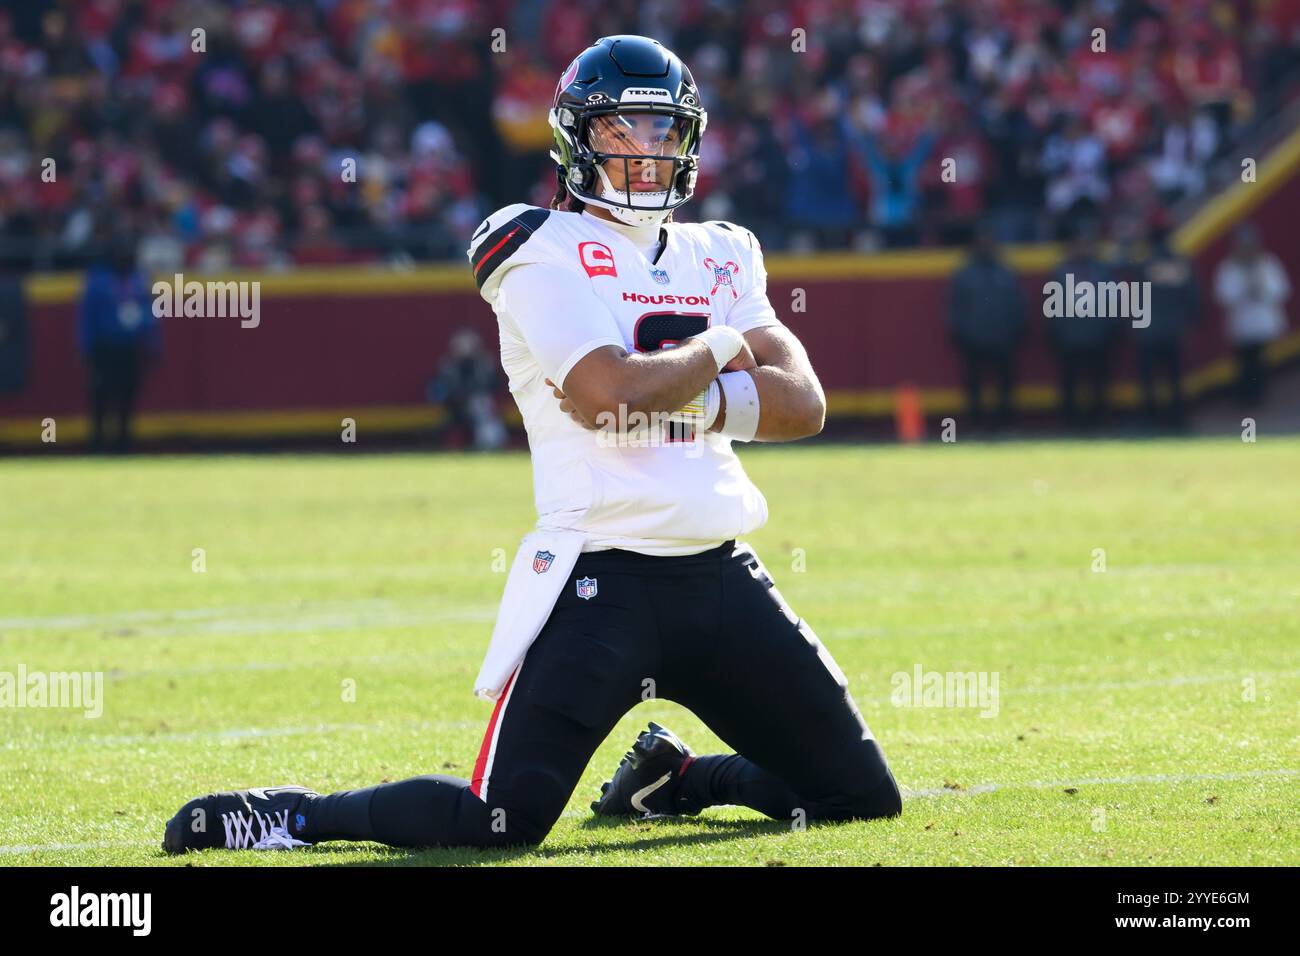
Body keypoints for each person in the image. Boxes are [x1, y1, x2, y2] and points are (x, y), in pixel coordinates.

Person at [162, 35, 902, 854]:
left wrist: (681, 391)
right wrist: (723, 348)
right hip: (602, 580)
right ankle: (291, 813)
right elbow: (605, 393)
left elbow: (806, 405)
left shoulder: (722, 249)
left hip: (719, 572)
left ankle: (679, 779)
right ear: (576, 140)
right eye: (622, 131)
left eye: (662, 132)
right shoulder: (534, 243)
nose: (646, 153)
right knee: (498, 823)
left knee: (857, 796)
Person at [77, 235, 160, 453]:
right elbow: (87, 316)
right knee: (100, 397)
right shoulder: (98, 281)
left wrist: (152, 343)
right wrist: (86, 348)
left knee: (127, 396)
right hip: (104, 348)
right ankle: (97, 443)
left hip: (130, 348)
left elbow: (149, 314)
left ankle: (124, 443)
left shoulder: (138, 280)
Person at [946, 225, 1026, 430]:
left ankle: (1005, 422)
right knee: (974, 384)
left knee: (1005, 383)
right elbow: (956, 306)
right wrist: (961, 333)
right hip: (973, 338)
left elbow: (1017, 303)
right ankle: (976, 423)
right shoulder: (964, 274)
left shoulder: (1005, 272)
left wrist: (1015, 329)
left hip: (1003, 336)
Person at [1048, 225, 1121, 429]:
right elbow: (1052, 306)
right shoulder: (1061, 272)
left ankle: (1098, 420)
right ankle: (1071, 421)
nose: (1083, 249)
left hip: (1098, 336)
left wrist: (1110, 328)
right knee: (1070, 383)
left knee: (1099, 384)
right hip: (1070, 337)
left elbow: (1113, 302)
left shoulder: (1102, 271)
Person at [1130, 228, 1199, 430]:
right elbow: (1192, 297)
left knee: (1149, 380)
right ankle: (1178, 419)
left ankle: (1150, 419)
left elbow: (1136, 298)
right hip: (1174, 329)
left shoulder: (1145, 265)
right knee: (1175, 378)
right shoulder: (1180, 264)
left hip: (1149, 331)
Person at [1214, 224, 1290, 407]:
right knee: (1245, 365)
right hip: (1242, 324)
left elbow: (1281, 289)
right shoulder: (1229, 267)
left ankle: (1259, 398)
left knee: (1261, 362)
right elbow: (1223, 295)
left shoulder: (1267, 263)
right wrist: (1243, 290)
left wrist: (1261, 288)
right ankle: (1246, 398)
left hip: (1263, 323)